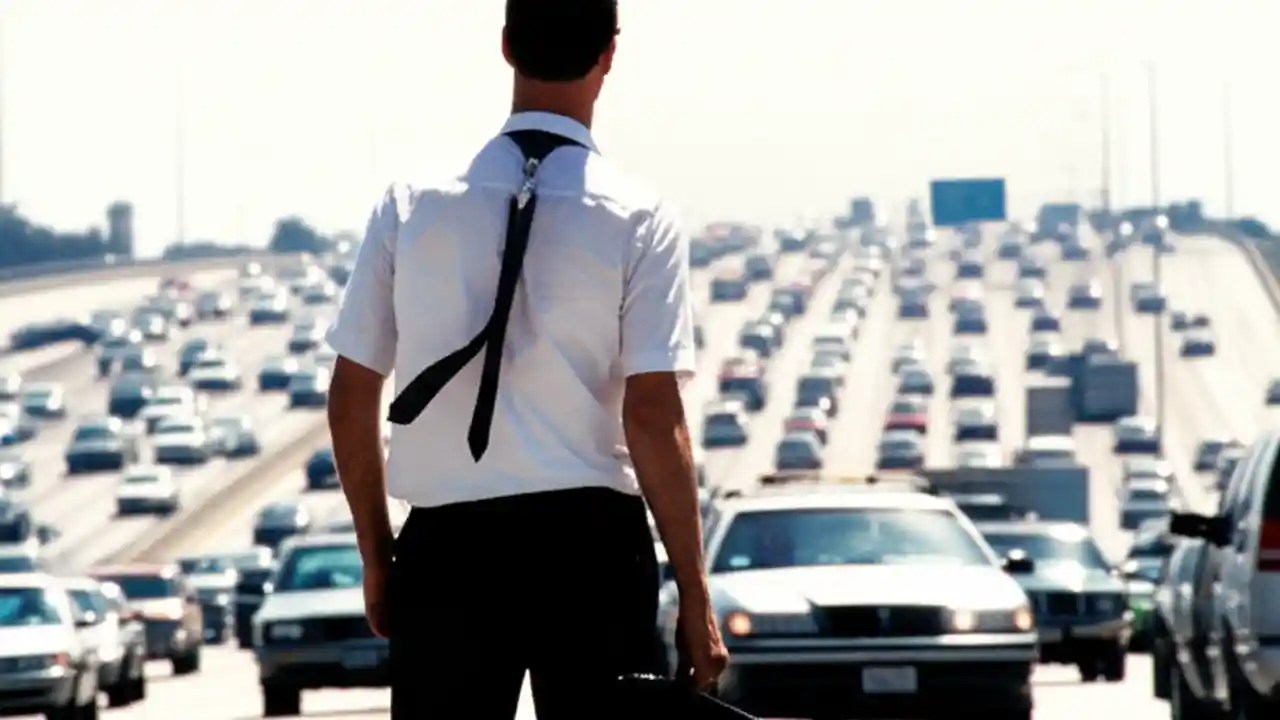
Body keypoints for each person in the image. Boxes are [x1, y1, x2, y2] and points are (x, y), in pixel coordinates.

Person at [324, 1, 728, 717]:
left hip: (447, 548)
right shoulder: (641, 215)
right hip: (591, 551)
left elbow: (353, 393)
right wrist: (694, 593)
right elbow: (652, 415)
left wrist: (378, 552)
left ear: (507, 46)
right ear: (610, 55)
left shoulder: (410, 204)